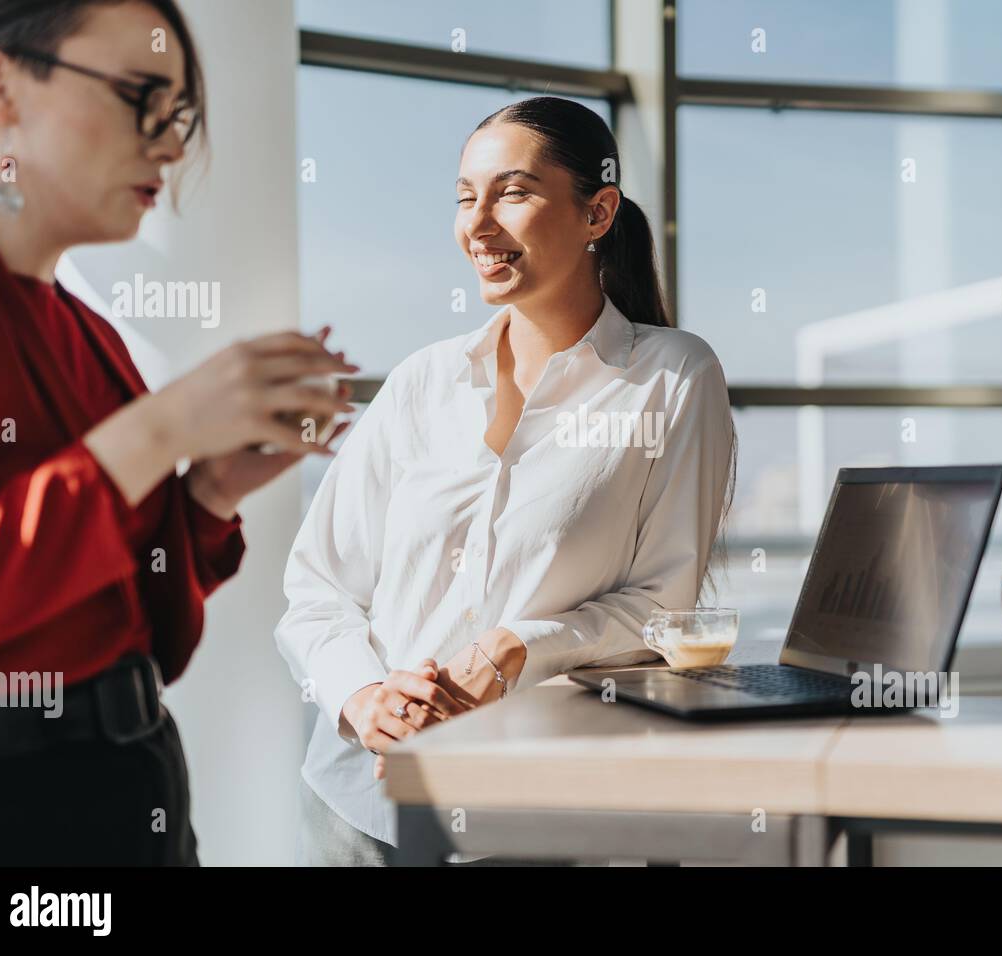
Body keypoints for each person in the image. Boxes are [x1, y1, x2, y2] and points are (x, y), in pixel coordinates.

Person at [276, 96, 736, 866]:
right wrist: (367, 699)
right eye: (465, 197)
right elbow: (318, 588)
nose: (477, 225)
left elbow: (665, 605)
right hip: (355, 805)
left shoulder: (673, 376)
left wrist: (515, 649)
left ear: (598, 212)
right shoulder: (424, 381)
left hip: (525, 810)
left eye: (512, 193)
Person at [0, 0, 354, 865]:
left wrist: (210, 489)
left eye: (174, 114)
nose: (171, 146)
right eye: (141, 97)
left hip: (132, 792)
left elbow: (150, 642)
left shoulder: (89, 336)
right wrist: (163, 426)